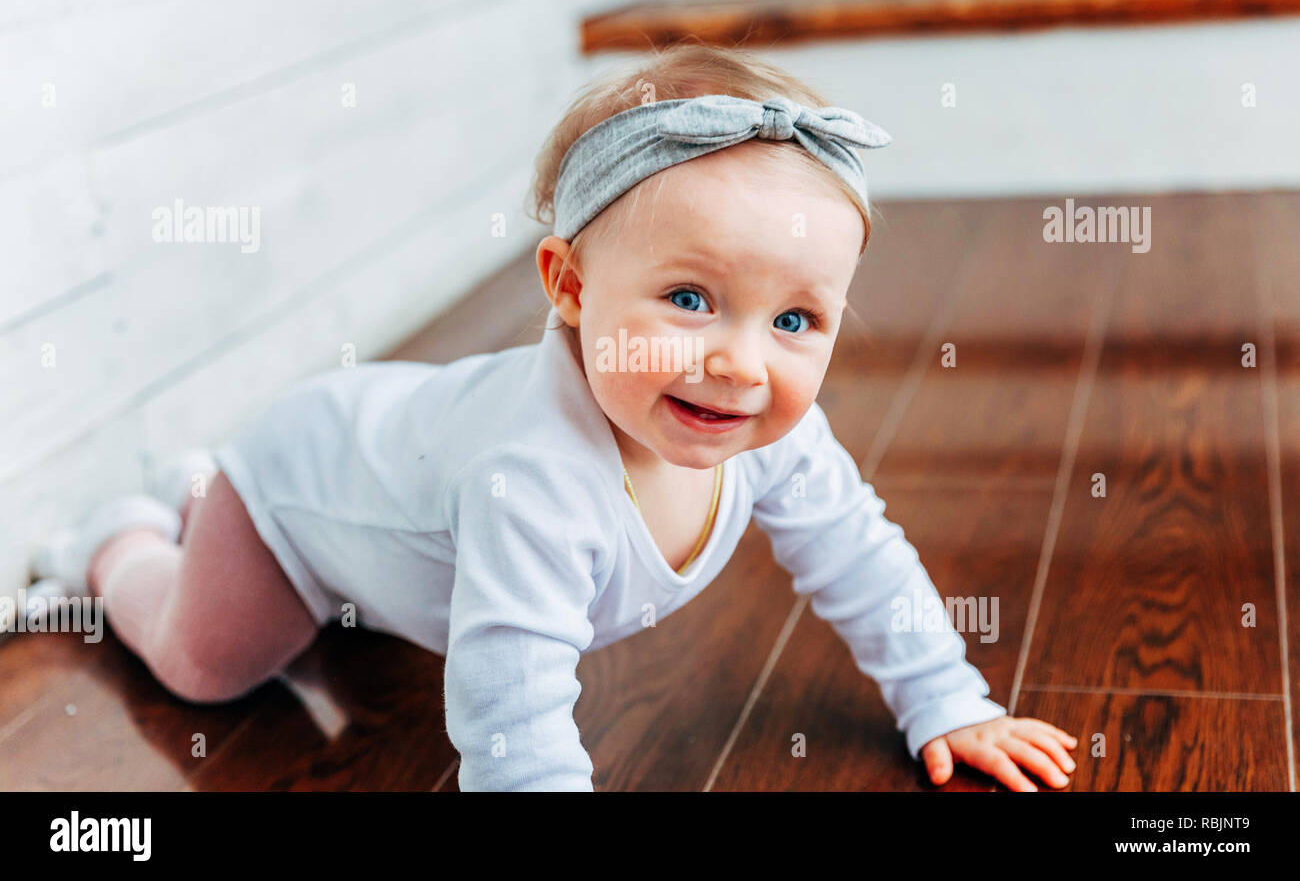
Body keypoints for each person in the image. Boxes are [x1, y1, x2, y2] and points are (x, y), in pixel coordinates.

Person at [29, 43, 1077, 791]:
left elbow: (859, 553)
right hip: (292, 491)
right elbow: (512, 714)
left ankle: (190, 487)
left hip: (391, 451)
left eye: (795, 317)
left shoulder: (768, 429)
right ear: (567, 285)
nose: (739, 362)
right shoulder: (532, 476)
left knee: (366, 640)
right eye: (689, 298)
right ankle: (120, 532)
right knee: (210, 666)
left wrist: (950, 698)